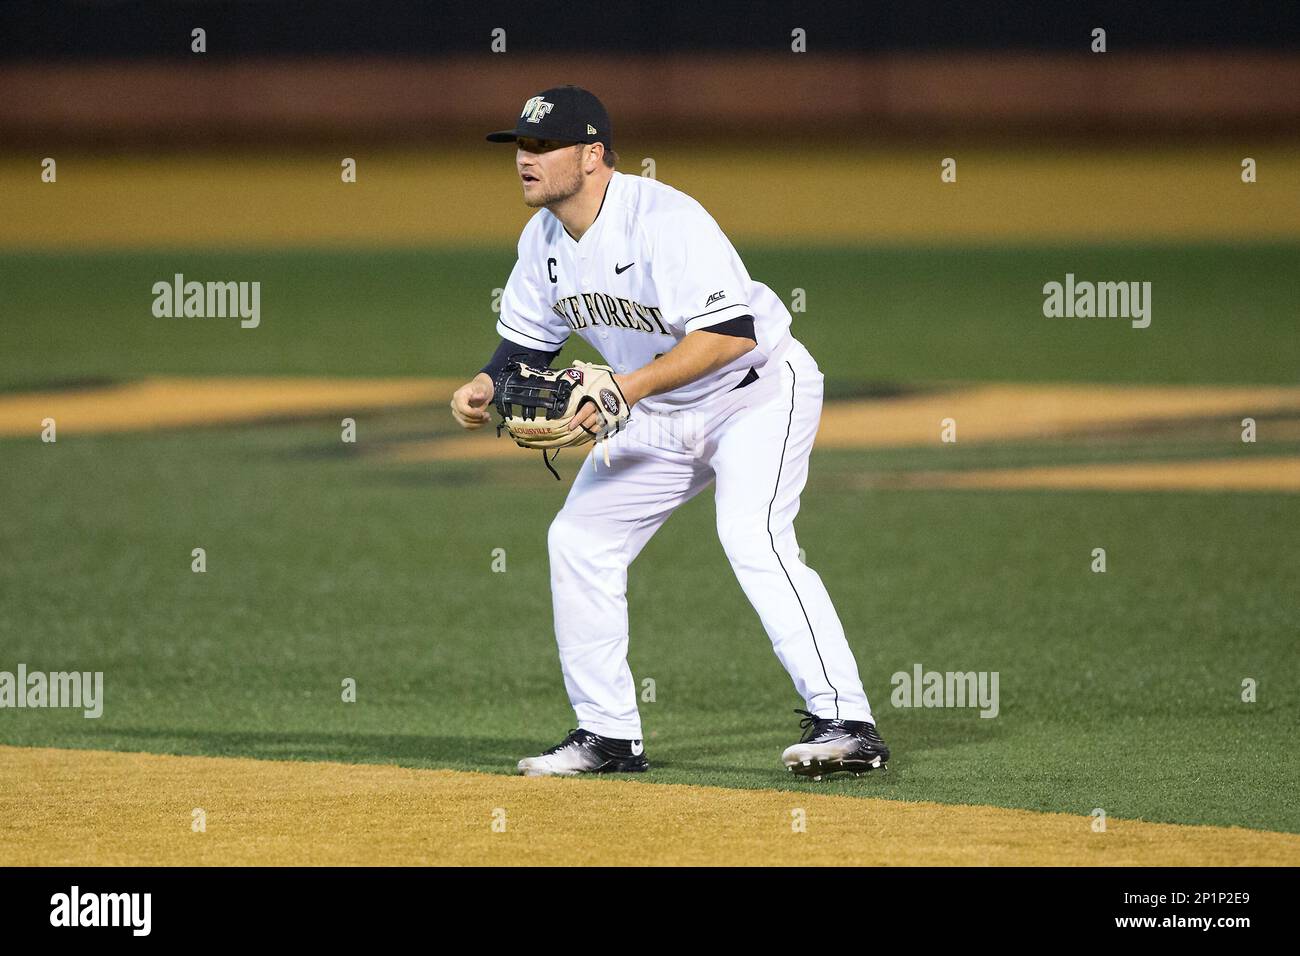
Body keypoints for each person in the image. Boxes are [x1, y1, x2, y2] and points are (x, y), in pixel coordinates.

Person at [450, 85, 890, 780]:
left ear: (593, 155)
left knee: (753, 536)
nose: (525, 159)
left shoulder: (663, 218)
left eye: (542, 146)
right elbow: (526, 346)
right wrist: (485, 383)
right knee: (579, 539)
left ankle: (847, 723)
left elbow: (730, 335)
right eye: (520, 147)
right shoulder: (541, 240)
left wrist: (624, 389)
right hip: (656, 409)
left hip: (755, 394)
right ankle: (607, 735)